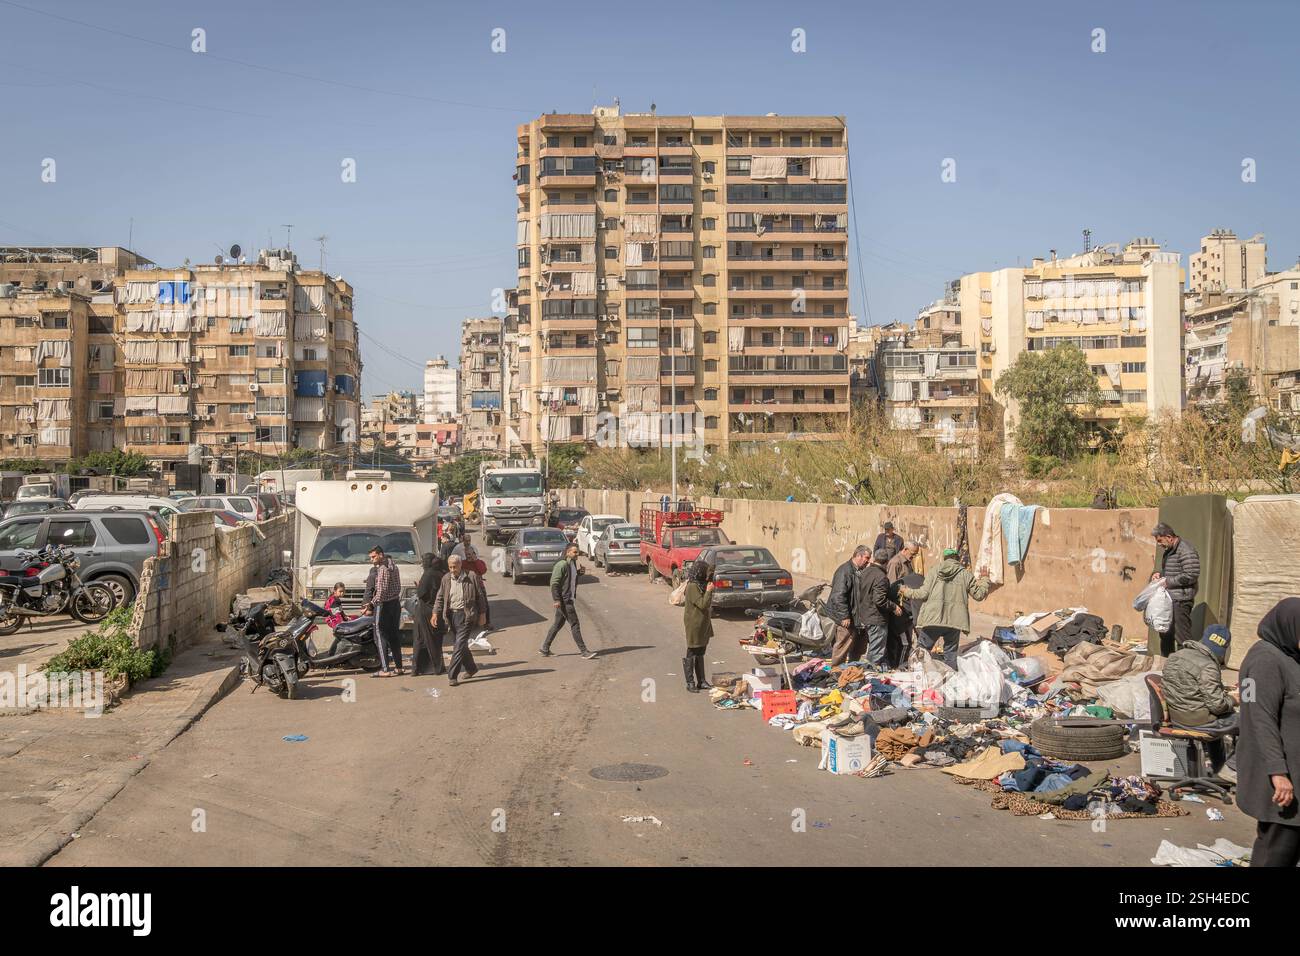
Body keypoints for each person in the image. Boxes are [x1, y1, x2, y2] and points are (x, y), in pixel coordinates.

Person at [1236, 598, 1300, 867]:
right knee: (1276, 850)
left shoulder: (1290, 658)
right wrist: (1278, 773)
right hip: (1280, 777)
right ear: (1289, 626)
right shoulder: (1264, 660)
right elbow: (1259, 720)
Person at [1162, 624, 1238, 777]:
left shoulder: (1176, 655)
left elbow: (1191, 690)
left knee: (1215, 722)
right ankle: (1232, 768)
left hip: (1177, 718)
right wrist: (1234, 700)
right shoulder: (1208, 665)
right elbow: (1217, 706)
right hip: (1198, 721)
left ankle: (1219, 769)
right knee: (1249, 722)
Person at [900, 547, 991, 670]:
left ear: (944, 558)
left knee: (922, 652)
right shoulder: (965, 574)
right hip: (955, 621)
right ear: (957, 559)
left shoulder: (934, 571)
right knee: (950, 656)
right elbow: (979, 595)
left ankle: (917, 677)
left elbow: (922, 594)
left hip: (933, 619)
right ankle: (951, 683)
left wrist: (906, 591)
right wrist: (985, 579)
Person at [431, 554, 488, 686]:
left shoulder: (471, 576)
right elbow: (440, 597)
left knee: (458, 645)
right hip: (451, 616)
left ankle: (452, 675)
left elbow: (480, 596)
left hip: (467, 615)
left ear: (460, 565)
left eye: (455, 567)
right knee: (461, 645)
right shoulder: (446, 578)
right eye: (450, 567)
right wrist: (435, 613)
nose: (452, 570)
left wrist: (483, 614)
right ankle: (471, 668)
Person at [540, 542, 597, 659]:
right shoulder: (561, 564)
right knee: (575, 624)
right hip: (564, 600)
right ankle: (584, 652)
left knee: (557, 624)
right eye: (575, 552)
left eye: (578, 552)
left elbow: (570, 578)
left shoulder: (572, 563)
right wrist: (556, 600)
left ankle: (544, 648)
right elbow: (554, 583)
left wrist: (579, 573)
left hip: (567, 598)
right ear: (568, 552)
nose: (577, 554)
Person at [1151, 522, 1200, 656]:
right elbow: (1172, 571)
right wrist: (1159, 574)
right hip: (1170, 599)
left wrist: (1168, 581)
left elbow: (1191, 575)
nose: (1159, 544)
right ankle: (1166, 664)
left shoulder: (1186, 550)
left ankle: (1185, 666)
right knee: (1165, 633)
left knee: (1182, 636)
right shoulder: (1169, 550)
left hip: (1181, 600)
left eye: (1160, 540)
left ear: (1169, 537)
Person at [361, 546, 403, 677]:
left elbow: (381, 592)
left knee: (380, 635)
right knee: (394, 635)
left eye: (373, 557)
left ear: (381, 555)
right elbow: (397, 587)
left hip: (383, 605)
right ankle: (399, 667)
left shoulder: (383, 569)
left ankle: (385, 669)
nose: (372, 560)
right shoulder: (394, 566)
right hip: (395, 604)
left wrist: (370, 605)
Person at [857, 549, 903, 668]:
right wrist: (894, 607)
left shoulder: (865, 572)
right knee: (876, 652)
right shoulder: (881, 577)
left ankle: (866, 672)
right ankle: (869, 675)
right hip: (876, 618)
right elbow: (879, 600)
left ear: (874, 559)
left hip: (864, 614)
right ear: (886, 562)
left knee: (872, 648)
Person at [827, 545, 870, 666]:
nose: (868, 561)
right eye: (866, 557)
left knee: (858, 648)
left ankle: (852, 671)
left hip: (857, 617)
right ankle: (836, 672)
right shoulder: (845, 571)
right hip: (847, 618)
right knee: (843, 646)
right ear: (858, 556)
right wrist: (844, 616)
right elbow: (838, 596)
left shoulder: (859, 570)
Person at [411, 553, 446, 676]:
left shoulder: (428, 574)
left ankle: (422, 668)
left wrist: (418, 586)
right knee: (434, 640)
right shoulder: (441, 573)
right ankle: (434, 667)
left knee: (423, 639)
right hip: (437, 609)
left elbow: (421, 593)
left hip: (425, 610)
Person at [682, 560, 715, 693]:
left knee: (700, 652)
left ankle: (701, 681)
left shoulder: (702, 584)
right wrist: (708, 591)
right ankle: (690, 682)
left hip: (704, 624)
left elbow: (711, 572)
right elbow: (702, 604)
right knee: (692, 652)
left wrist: (711, 573)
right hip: (694, 625)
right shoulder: (692, 586)